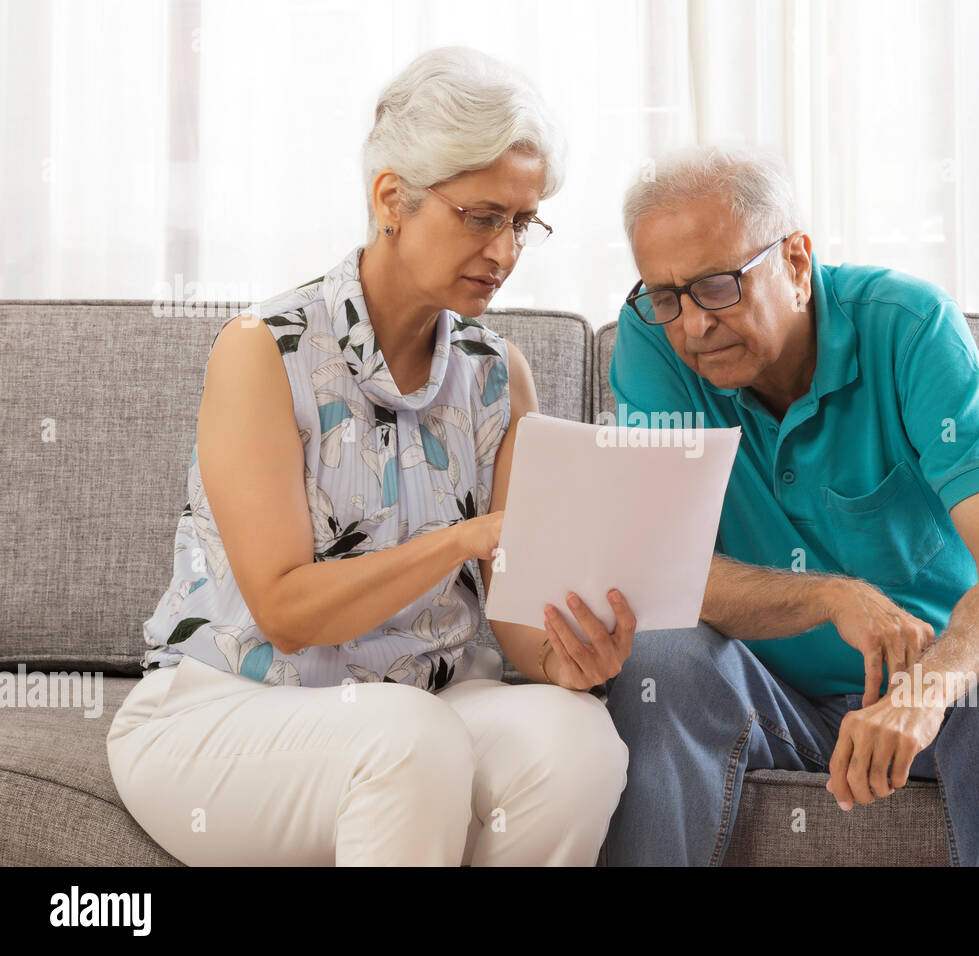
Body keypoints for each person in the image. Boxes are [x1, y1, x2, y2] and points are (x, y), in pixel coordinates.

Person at [106, 46, 635, 867]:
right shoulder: (264, 352)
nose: (504, 251)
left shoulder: (499, 376)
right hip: (224, 712)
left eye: (522, 223)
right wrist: (462, 539)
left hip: (423, 712)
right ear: (392, 197)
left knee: (578, 742)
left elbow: (513, 617)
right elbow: (284, 611)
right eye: (482, 216)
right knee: (406, 741)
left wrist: (568, 660)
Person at [603, 145, 979, 866]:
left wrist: (923, 693)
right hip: (763, 700)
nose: (693, 327)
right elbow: (665, 569)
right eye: (666, 296)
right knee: (660, 653)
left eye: (716, 287)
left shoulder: (911, 326)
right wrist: (831, 597)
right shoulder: (654, 336)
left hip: (931, 704)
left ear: (796, 262)